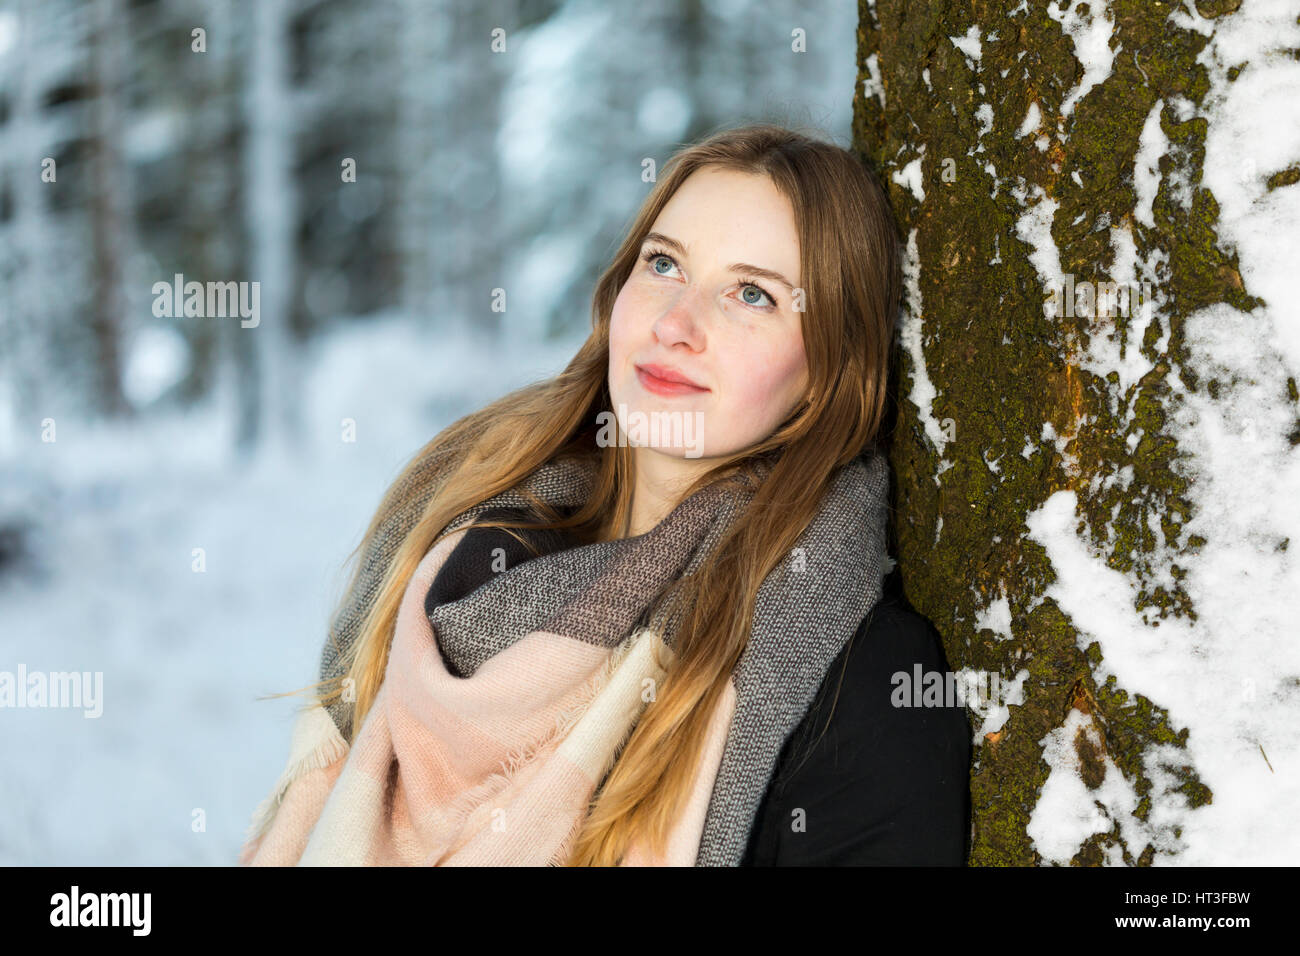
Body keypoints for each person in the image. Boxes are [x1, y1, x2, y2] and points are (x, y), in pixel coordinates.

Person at [238, 122, 971, 867]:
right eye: (663, 264)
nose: (677, 323)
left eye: (752, 294)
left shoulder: (858, 679)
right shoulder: (451, 519)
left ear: (829, 369)